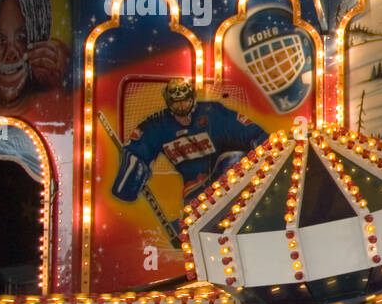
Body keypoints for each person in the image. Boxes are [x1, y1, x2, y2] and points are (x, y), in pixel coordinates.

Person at [112, 80, 268, 219]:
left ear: (192, 98)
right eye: (176, 103)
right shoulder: (158, 124)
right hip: (194, 192)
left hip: (227, 181)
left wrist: (266, 153)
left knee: (233, 158)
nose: (181, 107)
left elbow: (253, 134)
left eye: (185, 101)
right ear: (168, 102)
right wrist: (130, 181)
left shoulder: (213, 112)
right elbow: (137, 150)